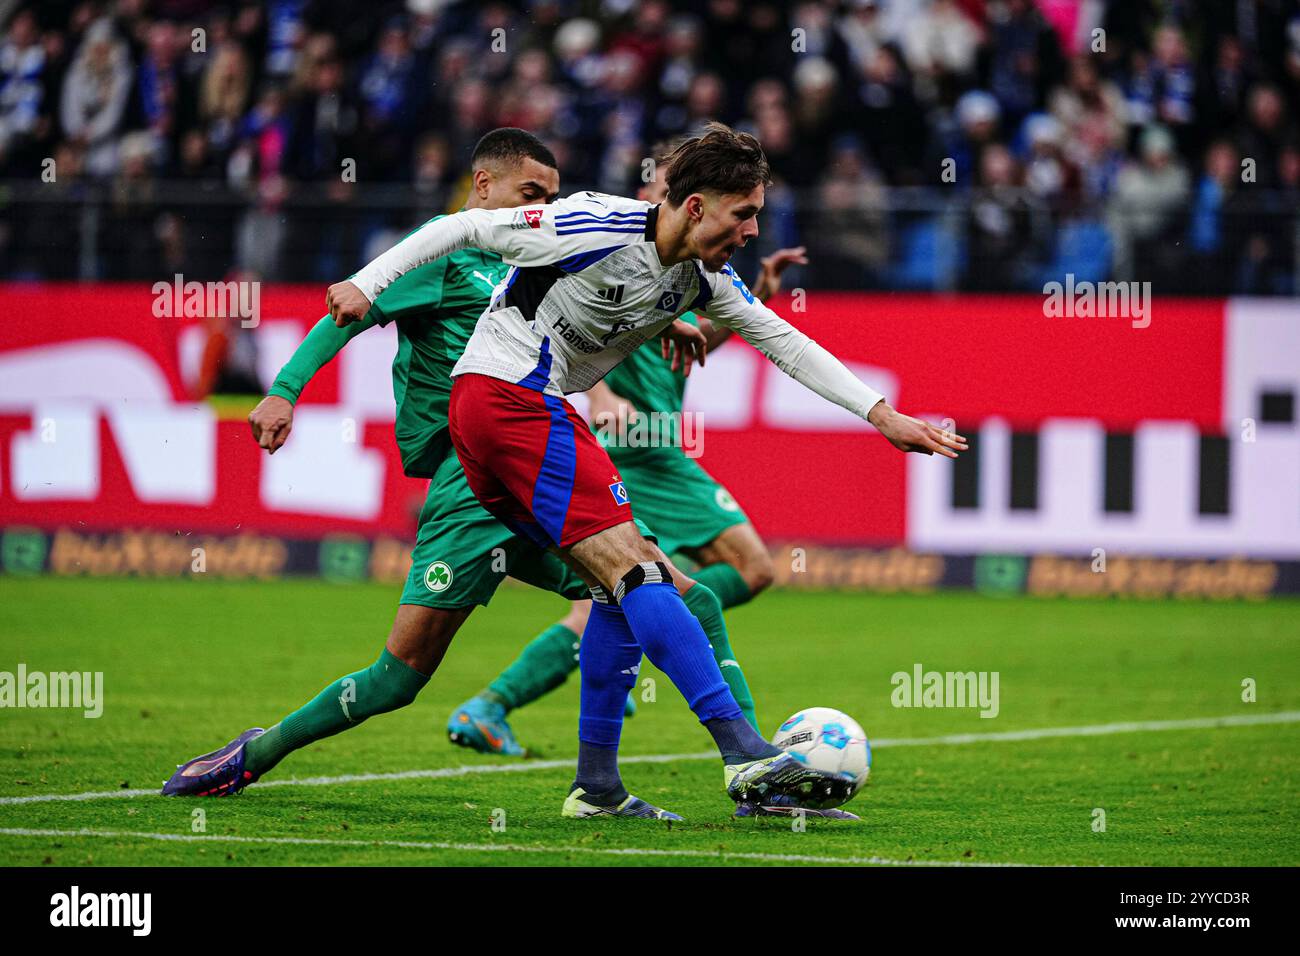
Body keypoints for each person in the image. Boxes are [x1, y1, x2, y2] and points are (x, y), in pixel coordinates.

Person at [324, 122, 967, 818]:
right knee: (645, 572)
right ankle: (744, 752)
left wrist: (883, 416)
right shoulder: (589, 221)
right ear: (695, 207)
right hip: (505, 397)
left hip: (517, 407)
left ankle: (597, 788)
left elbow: (785, 343)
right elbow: (464, 228)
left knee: (615, 587)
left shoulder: (701, 281)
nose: (751, 230)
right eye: (742, 212)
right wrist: (367, 282)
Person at [163, 129, 748, 820]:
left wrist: (668, 318)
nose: (542, 208)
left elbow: (593, 314)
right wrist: (285, 389)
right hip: (469, 486)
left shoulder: (545, 248)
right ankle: (254, 754)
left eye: (551, 198)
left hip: (537, 464)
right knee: (396, 680)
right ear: (483, 188)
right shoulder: (450, 253)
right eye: (530, 194)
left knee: (662, 594)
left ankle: (672, 779)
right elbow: (350, 311)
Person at [447, 149, 806, 753]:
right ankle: (744, 752)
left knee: (622, 591)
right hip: (638, 448)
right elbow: (574, 325)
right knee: (713, 575)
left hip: (656, 439)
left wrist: (757, 298)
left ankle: (503, 705)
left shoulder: (688, 262)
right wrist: (604, 395)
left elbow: (683, 348)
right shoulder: (616, 241)